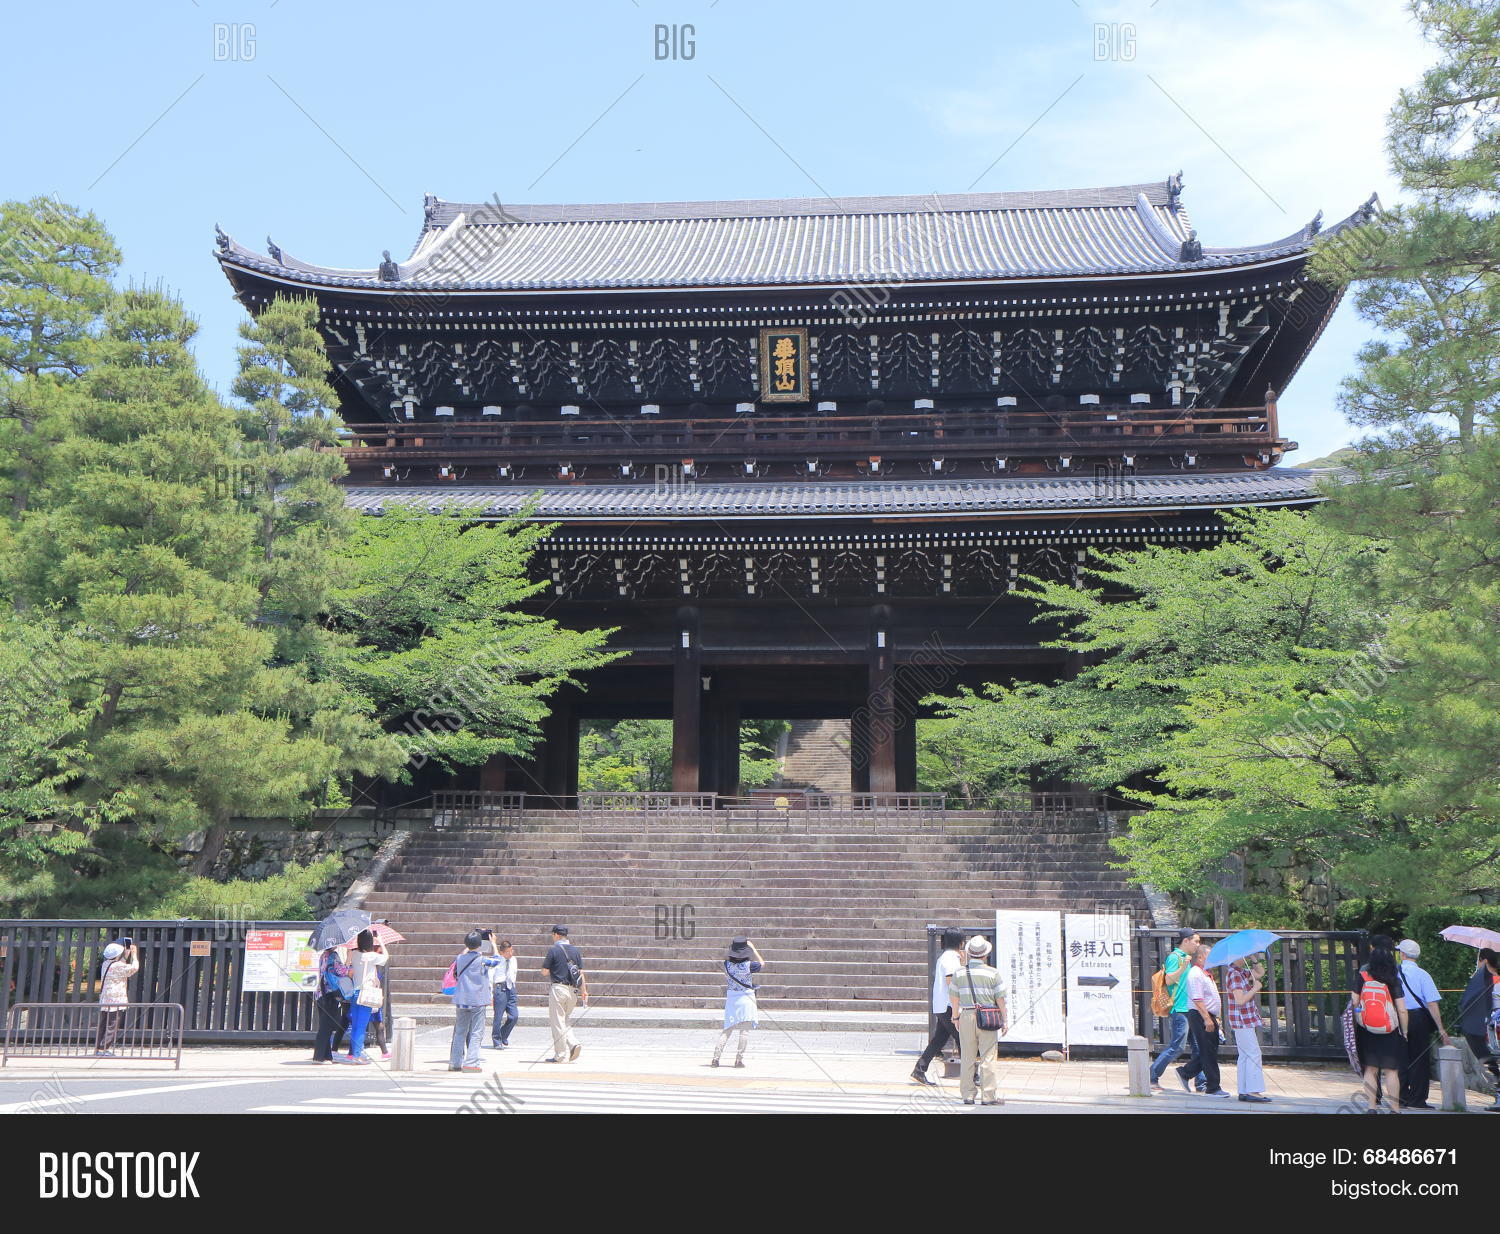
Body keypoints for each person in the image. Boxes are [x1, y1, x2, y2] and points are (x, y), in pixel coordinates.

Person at [946, 935, 1007, 1106]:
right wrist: (1005, 1019)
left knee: (967, 1056)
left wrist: (955, 1016)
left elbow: (953, 996)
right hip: (988, 1016)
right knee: (988, 1056)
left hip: (966, 1015)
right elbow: (1000, 998)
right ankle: (988, 1096)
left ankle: (968, 1095)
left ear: (970, 954)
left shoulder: (959, 973)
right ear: (985, 954)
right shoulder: (993, 973)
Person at [1350, 939, 1408, 1114]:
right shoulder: (1393, 980)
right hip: (1390, 1029)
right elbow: (1402, 1010)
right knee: (1391, 1071)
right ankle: (1395, 1108)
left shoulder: (1362, 977)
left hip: (1366, 1029)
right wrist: (1404, 1031)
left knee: (1371, 1069)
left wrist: (1361, 1016)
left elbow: (1354, 1003)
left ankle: (1371, 1107)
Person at [1394, 939, 1448, 1109]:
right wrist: (1440, 1028)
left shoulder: (1393, 973)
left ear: (1402, 954)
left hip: (1397, 1016)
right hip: (1419, 1018)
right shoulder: (1423, 974)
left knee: (1400, 1058)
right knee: (1419, 1059)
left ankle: (1400, 1098)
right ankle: (1417, 1099)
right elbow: (1432, 1003)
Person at [912, 928, 965, 1086]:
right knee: (963, 1038)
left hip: (942, 1005)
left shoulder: (946, 957)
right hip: (949, 1006)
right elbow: (951, 982)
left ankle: (919, 1069)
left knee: (939, 1040)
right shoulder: (951, 959)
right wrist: (958, 1008)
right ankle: (972, 1074)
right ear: (961, 943)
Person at [1149, 927, 1200, 1091]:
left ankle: (1202, 1082)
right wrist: (1184, 966)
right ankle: (1151, 1076)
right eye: (1196, 941)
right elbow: (1169, 981)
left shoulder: (1187, 958)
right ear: (1186, 940)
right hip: (1179, 1009)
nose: (1198, 945)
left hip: (1190, 1009)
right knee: (1177, 1046)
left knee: (1200, 1048)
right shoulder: (1175, 957)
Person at [1176, 946, 1229, 1097]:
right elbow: (1197, 999)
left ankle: (1185, 1072)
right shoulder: (1195, 974)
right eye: (1209, 956)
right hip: (1200, 1015)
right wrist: (1207, 1019)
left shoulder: (1204, 973)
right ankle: (1213, 1086)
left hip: (1207, 1015)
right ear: (1200, 958)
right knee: (1208, 1051)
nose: (1212, 960)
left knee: (1209, 1050)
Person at [1457, 948, 1500, 1112]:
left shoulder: (1488, 982)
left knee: (1492, 1065)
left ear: (1484, 960)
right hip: (1493, 1029)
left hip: (1492, 1030)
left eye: (1478, 960)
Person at [1224, 954, 1271, 1103]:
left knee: (1245, 1055)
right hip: (1242, 1021)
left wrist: (1254, 959)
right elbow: (1240, 1000)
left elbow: (1260, 973)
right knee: (1253, 1053)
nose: (1246, 956)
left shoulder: (1240, 972)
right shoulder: (1234, 974)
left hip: (1244, 1020)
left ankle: (1244, 1090)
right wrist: (1255, 988)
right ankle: (1253, 1091)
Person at [712, 937, 764, 1068]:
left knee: (727, 1029)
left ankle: (715, 1058)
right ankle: (738, 1060)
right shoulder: (750, 965)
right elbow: (762, 963)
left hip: (732, 999)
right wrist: (754, 949)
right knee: (744, 1031)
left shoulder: (727, 964)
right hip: (746, 998)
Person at [541, 925, 586, 1063]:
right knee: (565, 1019)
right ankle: (573, 1043)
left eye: (553, 935)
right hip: (573, 991)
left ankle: (560, 1055)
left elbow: (544, 971)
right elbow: (581, 973)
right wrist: (584, 991)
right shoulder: (576, 951)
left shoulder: (554, 950)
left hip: (558, 989)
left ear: (556, 935)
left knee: (557, 1022)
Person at [344, 930, 388, 1065]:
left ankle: (353, 1054)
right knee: (361, 1026)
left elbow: (347, 964)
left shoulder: (355, 954)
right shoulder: (372, 956)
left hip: (355, 993)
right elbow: (386, 957)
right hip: (365, 994)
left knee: (356, 1025)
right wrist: (380, 940)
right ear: (370, 942)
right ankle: (357, 1056)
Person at [449, 930, 489, 1072]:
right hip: (477, 1000)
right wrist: (494, 943)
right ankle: (471, 1062)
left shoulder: (459, 958)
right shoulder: (483, 960)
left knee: (460, 1031)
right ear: (480, 945)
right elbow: (498, 959)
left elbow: (464, 954)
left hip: (461, 999)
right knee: (476, 1032)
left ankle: (455, 1062)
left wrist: (469, 946)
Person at [94, 939, 139, 1057]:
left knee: (103, 1024)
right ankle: (104, 1048)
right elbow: (134, 968)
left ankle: (98, 1047)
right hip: (116, 998)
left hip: (105, 998)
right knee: (113, 1024)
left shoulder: (106, 964)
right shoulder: (118, 966)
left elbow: (121, 963)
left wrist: (127, 953)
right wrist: (134, 955)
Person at [312, 946, 351, 1064]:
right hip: (330, 994)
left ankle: (327, 1056)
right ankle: (318, 1057)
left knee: (325, 1025)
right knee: (327, 1026)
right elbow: (343, 972)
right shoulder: (333, 956)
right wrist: (349, 958)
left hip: (320, 993)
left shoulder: (323, 955)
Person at [488, 938, 519, 1050]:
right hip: (500, 989)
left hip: (510, 988)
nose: (510, 953)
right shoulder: (497, 960)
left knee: (514, 1016)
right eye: (507, 952)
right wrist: (491, 992)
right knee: (498, 1016)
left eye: (511, 951)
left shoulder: (513, 960)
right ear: (502, 952)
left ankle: (503, 1034)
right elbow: (490, 976)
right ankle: (496, 1040)